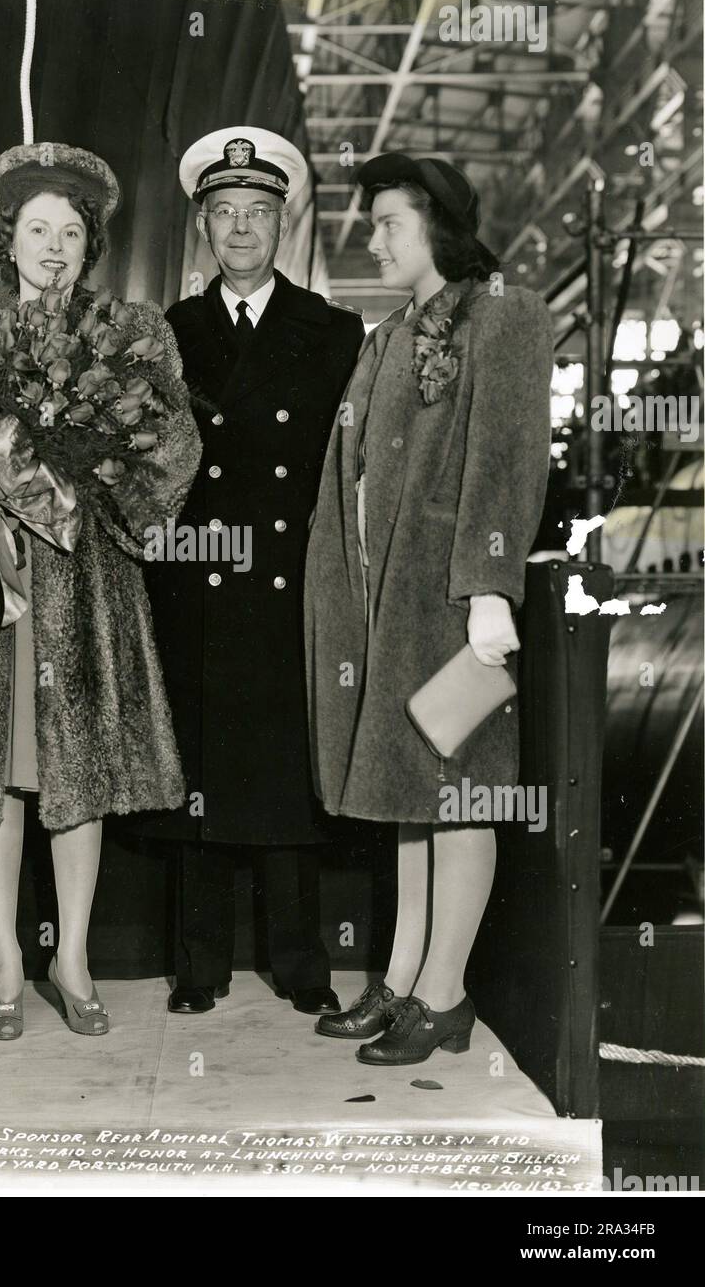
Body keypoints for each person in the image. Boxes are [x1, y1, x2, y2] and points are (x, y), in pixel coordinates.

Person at [0, 143, 201, 1040]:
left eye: (71, 230)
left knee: (80, 769)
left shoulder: (134, 335)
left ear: (90, 241)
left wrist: (95, 475)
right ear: (9, 240)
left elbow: (175, 451)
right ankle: (8, 959)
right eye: (38, 229)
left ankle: (74, 958)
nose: (55, 246)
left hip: (90, 586)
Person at [304, 153, 555, 1064]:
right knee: (412, 800)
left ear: (437, 228)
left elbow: (508, 456)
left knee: (463, 797)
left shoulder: (504, 317)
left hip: (456, 603)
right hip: (389, 604)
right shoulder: (385, 337)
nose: (371, 240)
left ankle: (446, 995)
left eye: (387, 225)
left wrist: (491, 589)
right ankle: (406, 977)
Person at [140, 126, 365, 1016]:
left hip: (289, 578)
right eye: (225, 213)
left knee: (284, 770)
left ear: (283, 227)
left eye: (258, 214)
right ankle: (201, 966)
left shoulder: (332, 330)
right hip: (195, 577)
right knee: (198, 770)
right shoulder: (167, 333)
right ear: (202, 227)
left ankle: (301, 963)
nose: (241, 230)